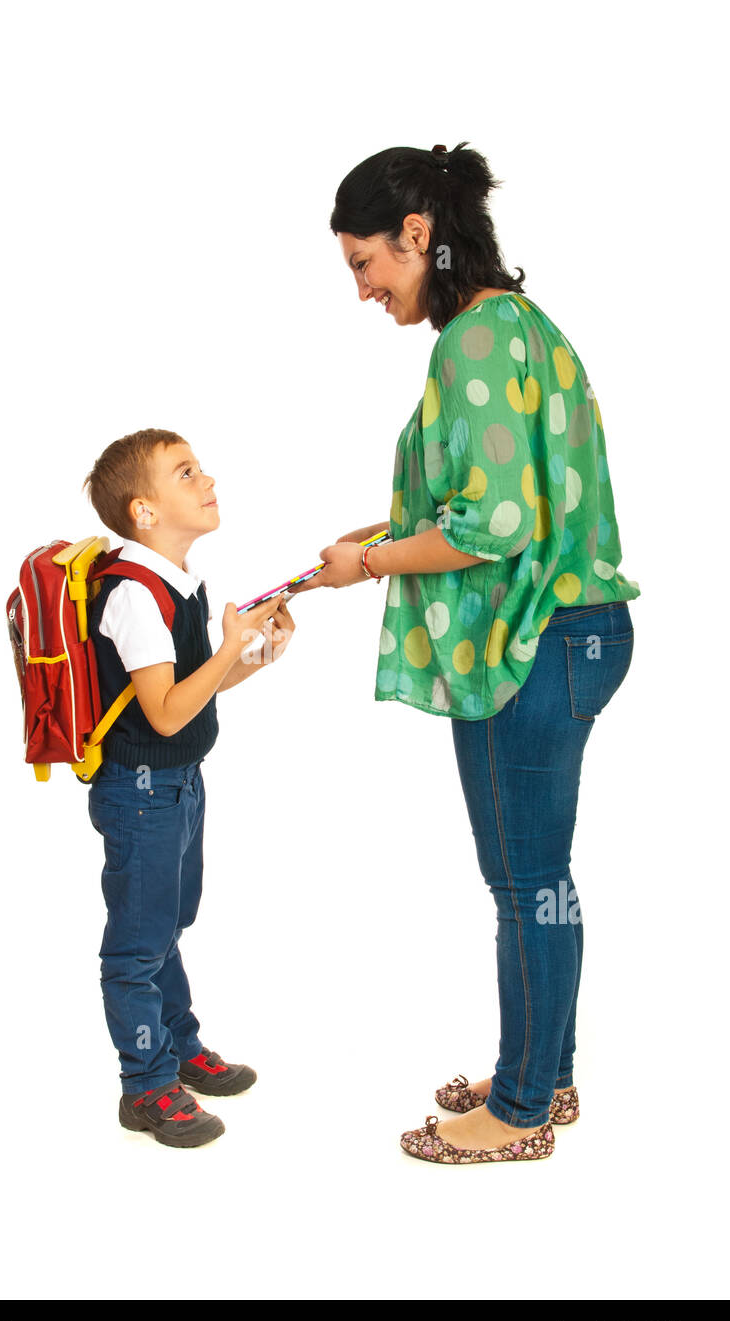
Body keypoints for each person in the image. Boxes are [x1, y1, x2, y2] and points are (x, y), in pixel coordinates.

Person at [297, 142, 640, 1166]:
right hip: (577, 628)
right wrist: (361, 550)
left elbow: (488, 526)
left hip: (531, 642)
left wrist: (368, 565)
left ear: (417, 237)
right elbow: (493, 508)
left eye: (367, 264)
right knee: (543, 877)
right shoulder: (523, 328)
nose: (363, 291)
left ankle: (523, 1104)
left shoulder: (473, 345)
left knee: (526, 878)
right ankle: (549, 1067)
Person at [83, 427, 294, 1148]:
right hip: (141, 792)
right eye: (185, 473)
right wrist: (231, 645)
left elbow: (190, 692)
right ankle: (145, 1086)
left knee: (167, 924)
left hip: (177, 784)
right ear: (144, 511)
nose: (207, 480)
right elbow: (168, 713)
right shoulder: (135, 594)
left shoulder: (178, 580)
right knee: (137, 945)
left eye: (200, 467)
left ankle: (177, 1048)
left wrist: (254, 656)